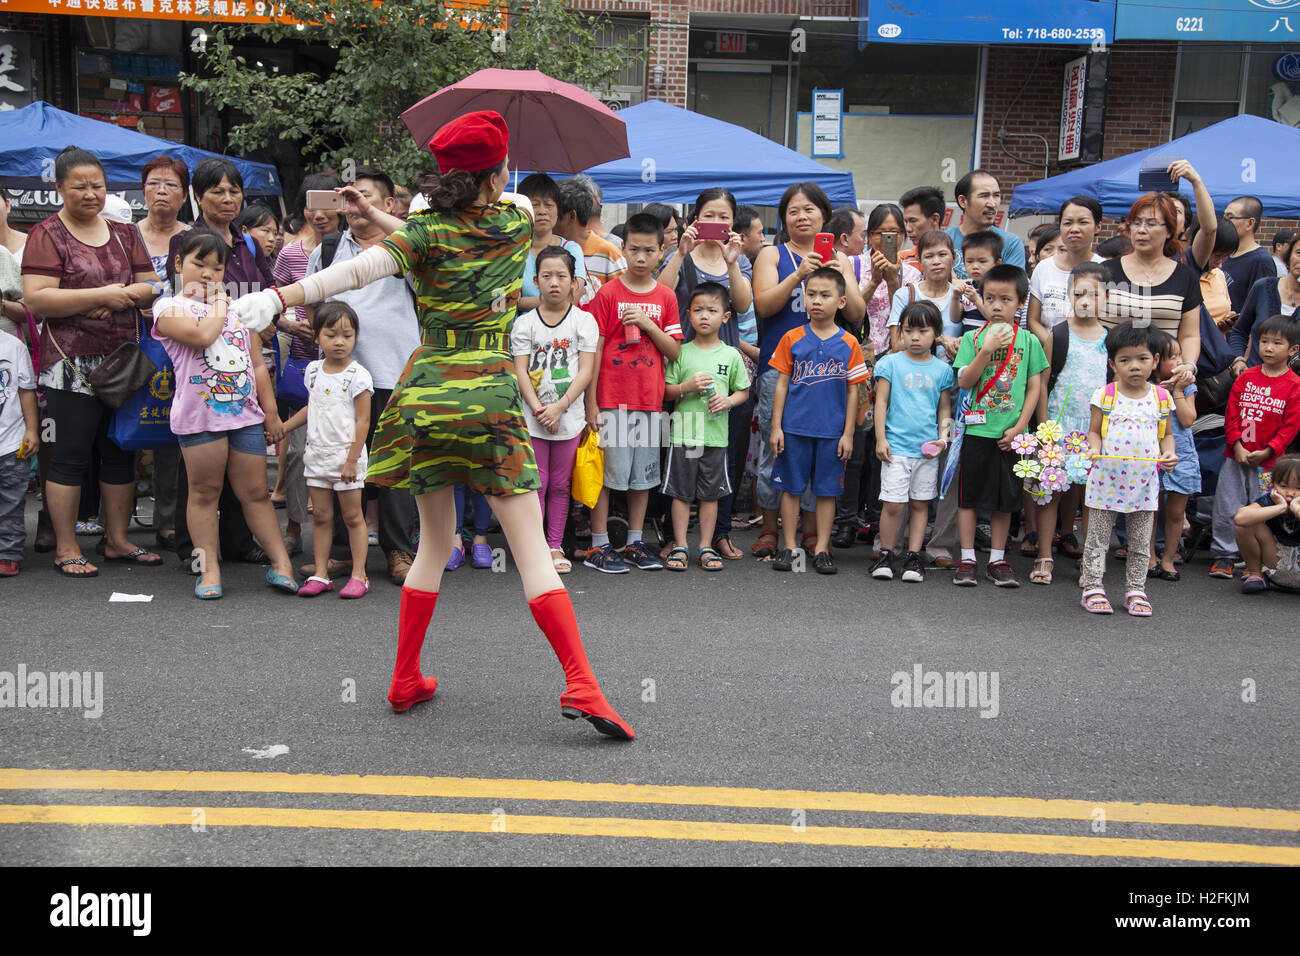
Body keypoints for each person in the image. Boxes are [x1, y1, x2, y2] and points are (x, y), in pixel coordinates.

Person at [229, 110, 635, 739]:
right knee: (531, 552)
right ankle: (581, 681)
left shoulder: (421, 234)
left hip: (425, 394)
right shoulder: (519, 219)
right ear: (498, 176)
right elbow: (447, 234)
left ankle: (404, 679)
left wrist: (279, 297)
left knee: (432, 546)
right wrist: (388, 216)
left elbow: (362, 269)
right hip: (490, 397)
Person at [22, 146, 163, 578]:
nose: (90, 193)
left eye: (97, 185)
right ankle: (67, 546)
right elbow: (38, 298)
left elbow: (152, 285)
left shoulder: (125, 232)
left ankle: (118, 541)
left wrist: (121, 297)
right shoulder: (47, 234)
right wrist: (103, 297)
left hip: (123, 359)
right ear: (60, 187)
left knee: (120, 451)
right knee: (70, 455)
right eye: (79, 186)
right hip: (70, 363)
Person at [152, 228, 296, 599]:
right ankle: (209, 569)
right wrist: (221, 303)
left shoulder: (236, 310)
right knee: (203, 494)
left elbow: (257, 364)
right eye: (199, 264)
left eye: (217, 268)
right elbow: (201, 336)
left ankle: (281, 563)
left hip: (244, 416)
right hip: (199, 417)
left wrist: (272, 413)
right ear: (178, 263)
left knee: (255, 493)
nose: (208, 274)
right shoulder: (168, 308)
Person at [302, 164, 419, 585]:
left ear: (387, 204)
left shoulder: (409, 247)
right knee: (337, 461)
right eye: (348, 196)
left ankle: (398, 552)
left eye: (363, 195)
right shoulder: (330, 248)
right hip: (339, 378)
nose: (353, 204)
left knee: (392, 469)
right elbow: (315, 299)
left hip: (393, 373)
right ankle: (335, 553)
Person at [166, 156, 275, 569]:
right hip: (199, 365)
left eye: (234, 191)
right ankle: (191, 548)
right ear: (198, 197)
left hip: (245, 358)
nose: (228, 199)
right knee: (199, 470)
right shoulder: (188, 241)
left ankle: (238, 541)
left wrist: (266, 323)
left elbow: (269, 289)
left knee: (244, 465)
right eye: (217, 191)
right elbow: (177, 297)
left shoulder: (247, 242)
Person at [751, 182, 858, 559]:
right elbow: (763, 306)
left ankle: (812, 533)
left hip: (828, 371)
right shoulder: (771, 255)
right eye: (793, 210)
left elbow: (856, 313)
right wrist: (799, 275)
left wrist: (837, 270)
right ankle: (769, 529)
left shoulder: (840, 259)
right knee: (775, 449)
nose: (802, 216)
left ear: (824, 216)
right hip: (778, 368)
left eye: (810, 209)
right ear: (784, 218)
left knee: (819, 451)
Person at [655, 186, 757, 561]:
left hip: (724, 359)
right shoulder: (680, 252)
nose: (716, 223)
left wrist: (733, 260)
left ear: (733, 221)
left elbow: (745, 305)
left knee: (723, 453)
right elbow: (660, 295)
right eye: (708, 215)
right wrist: (680, 252)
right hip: (682, 357)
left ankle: (721, 534)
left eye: (723, 216)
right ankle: (673, 536)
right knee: (678, 450)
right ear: (695, 218)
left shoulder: (739, 258)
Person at [582, 211, 682, 574]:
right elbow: (592, 350)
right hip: (611, 400)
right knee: (608, 474)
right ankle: (598, 544)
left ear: (661, 251)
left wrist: (647, 324)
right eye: (634, 250)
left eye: (649, 251)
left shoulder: (666, 297)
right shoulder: (609, 294)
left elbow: (674, 351)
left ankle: (636, 541)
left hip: (649, 402)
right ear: (622, 249)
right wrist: (591, 403)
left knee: (643, 476)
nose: (641, 258)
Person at [768, 267, 868, 574]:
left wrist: (848, 433)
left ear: (841, 301)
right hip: (794, 429)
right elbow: (781, 384)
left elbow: (854, 392)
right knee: (792, 488)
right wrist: (776, 427)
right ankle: (790, 547)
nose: (817, 301)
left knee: (827, 491)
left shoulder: (849, 342)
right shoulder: (792, 338)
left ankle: (823, 547)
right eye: (811, 294)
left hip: (832, 431)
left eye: (825, 295)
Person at [952, 264, 1047, 587]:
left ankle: (997, 558)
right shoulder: (972, 338)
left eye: (1005, 299)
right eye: (989, 297)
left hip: (1012, 434)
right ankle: (966, 557)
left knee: (1006, 500)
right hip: (977, 430)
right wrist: (987, 350)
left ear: (1021, 303)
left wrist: (1021, 426)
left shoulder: (1030, 341)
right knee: (969, 498)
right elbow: (965, 380)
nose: (996, 305)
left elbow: (1034, 386)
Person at [1079, 322, 1178, 616]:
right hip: (1105, 480)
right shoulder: (1105, 395)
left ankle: (1136, 589)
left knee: (1139, 542)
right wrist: (1093, 448)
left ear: (1155, 361)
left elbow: (1167, 436)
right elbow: (1094, 431)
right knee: (1097, 539)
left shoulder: (1161, 398)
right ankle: (1093, 588)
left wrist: (1169, 453)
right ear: (1112, 363)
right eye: (1125, 360)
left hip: (1143, 483)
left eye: (1142, 359)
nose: (1134, 367)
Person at [510, 246, 597, 573]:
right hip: (533, 418)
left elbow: (586, 371)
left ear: (574, 282)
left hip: (568, 417)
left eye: (562, 276)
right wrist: (537, 408)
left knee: (560, 485)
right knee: (537, 483)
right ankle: (532, 548)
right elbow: (520, 369)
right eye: (547, 276)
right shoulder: (525, 324)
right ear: (536, 280)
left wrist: (559, 407)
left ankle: (554, 546)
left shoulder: (584, 321)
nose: (554, 282)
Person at [282, 302, 372, 599]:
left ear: (356, 337)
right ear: (317, 336)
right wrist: (284, 427)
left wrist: (351, 460)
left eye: (347, 335)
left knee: (352, 517)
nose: (339, 341)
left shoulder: (358, 375)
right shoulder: (312, 370)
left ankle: (359, 574)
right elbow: (313, 407)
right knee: (320, 515)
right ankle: (320, 574)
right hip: (317, 455)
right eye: (331, 334)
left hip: (346, 458)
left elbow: (363, 421)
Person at [274, 171, 342, 558]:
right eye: (311, 205)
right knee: (300, 451)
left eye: (328, 204)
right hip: (303, 365)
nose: (320, 214)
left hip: (348, 369)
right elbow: (275, 301)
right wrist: (289, 325)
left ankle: (344, 535)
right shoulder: (291, 253)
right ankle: (295, 526)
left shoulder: (356, 252)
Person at [661, 282, 750, 571]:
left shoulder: (731, 355)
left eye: (712, 310)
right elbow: (666, 391)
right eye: (698, 310)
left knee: (711, 495)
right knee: (681, 493)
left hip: (715, 437)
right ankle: (680, 545)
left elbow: (743, 391)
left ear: (725, 317)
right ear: (688, 314)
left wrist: (728, 401)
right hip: (684, 433)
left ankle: (706, 546)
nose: (704, 316)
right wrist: (686, 387)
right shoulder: (680, 352)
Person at [1209, 314, 1300, 579]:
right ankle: (1224, 554)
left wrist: (1269, 450)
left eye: (1277, 343)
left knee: (1262, 510)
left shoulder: (1294, 385)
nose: (1268, 348)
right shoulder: (1246, 377)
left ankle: (1256, 562)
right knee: (1227, 504)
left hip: (1270, 462)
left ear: (1293, 349)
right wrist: (1236, 444)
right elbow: (1232, 414)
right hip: (1236, 456)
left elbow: (1291, 426)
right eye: (1264, 341)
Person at [871, 301, 953, 583]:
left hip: (927, 451)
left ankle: (914, 556)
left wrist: (943, 438)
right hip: (896, 448)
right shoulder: (889, 363)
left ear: (936, 333)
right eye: (909, 330)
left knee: (920, 505)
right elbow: (880, 402)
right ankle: (885, 552)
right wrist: (880, 438)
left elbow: (944, 408)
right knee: (893, 504)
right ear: (901, 332)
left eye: (923, 330)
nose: (915, 337)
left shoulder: (942, 370)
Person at [136, 155, 191, 553]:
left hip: (180, 346)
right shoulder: (124, 235)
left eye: (171, 185)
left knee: (173, 432)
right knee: (128, 428)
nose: (162, 191)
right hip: (130, 343)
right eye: (155, 183)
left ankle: (169, 519)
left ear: (185, 194)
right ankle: (115, 523)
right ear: (142, 190)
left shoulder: (192, 238)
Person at [1101, 193, 1203, 390]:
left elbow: (1190, 335)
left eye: (1151, 223)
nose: (1141, 230)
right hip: (1108, 377)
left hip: (1162, 383)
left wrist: (1188, 366)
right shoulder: (1106, 271)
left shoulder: (1185, 277)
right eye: (1136, 223)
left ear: (1169, 231)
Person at [1148, 330, 1199, 580]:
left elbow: (1188, 420)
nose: (1179, 362)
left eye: (1180, 356)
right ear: (1155, 361)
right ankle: (1149, 556)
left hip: (1182, 454)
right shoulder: (1144, 388)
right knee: (1150, 508)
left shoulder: (1187, 386)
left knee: (1177, 512)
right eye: (1173, 357)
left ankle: (1169, 557)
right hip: (1151, 452)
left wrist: (1177, 390)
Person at [1026, 197, 1107, 343]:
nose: (1074, 229)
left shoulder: (1106, 268)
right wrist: (1055, 347)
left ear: (1098, 227)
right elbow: (1033, 320)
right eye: (1068, 223)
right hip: (1048, 356)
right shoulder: (1044, 268)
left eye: (1083, 222)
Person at [516, 173, 590, 312]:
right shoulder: (513, 250)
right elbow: (504, 304)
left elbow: (571, 299)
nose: (542, 211)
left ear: (557, 211)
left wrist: (522, 302)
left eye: (549, 205)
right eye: (534, 205)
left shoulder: (571, 249)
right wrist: (555, 300)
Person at [1231, 232, 1300, 370]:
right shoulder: (1263, 287)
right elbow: (1239, 331)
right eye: (1298, 252)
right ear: (1289, 255)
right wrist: (1238, 360)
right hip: (1256, 383)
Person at [0, 327, 38, 577]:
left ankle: (8, 553)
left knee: (11, 504)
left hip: (10, 442)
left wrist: (32, 429)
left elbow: (26, 391)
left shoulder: (13, 346)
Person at [1234, 454, 1300, 593]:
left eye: (1298, 488)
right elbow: (1240, 517)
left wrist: (1297, 509)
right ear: (1273, 485)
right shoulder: (1271, 500)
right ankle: (1256, 575)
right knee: (1246, 524)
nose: (1290, 493)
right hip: (1276, 563)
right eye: (1283, 486)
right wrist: (1280, 508)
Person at [947, 170, 1025, 279]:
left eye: (996, 195)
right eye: (984, 196)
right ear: (963, 201)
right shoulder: (944, 241)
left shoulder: (1011, 243)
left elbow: (1012, 289)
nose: (992, 204)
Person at [555, 179, 625, 292]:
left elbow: (624, 298)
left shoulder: (609, 254)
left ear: (572, 216)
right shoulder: (549, 250)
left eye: (555, 216)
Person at [1221, 196, 1277, 313]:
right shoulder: (1226, 254)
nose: (1225, 221)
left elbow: (1263, 308)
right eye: (1224, 216)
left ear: (1250, 223)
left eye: (1230, 217)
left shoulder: (1261, 261)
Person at [899, 186, 945, 267]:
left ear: (935, 219)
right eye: (906, 222)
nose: (908, 229)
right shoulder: (901, 261)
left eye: (913, 221)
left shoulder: (960, 259)